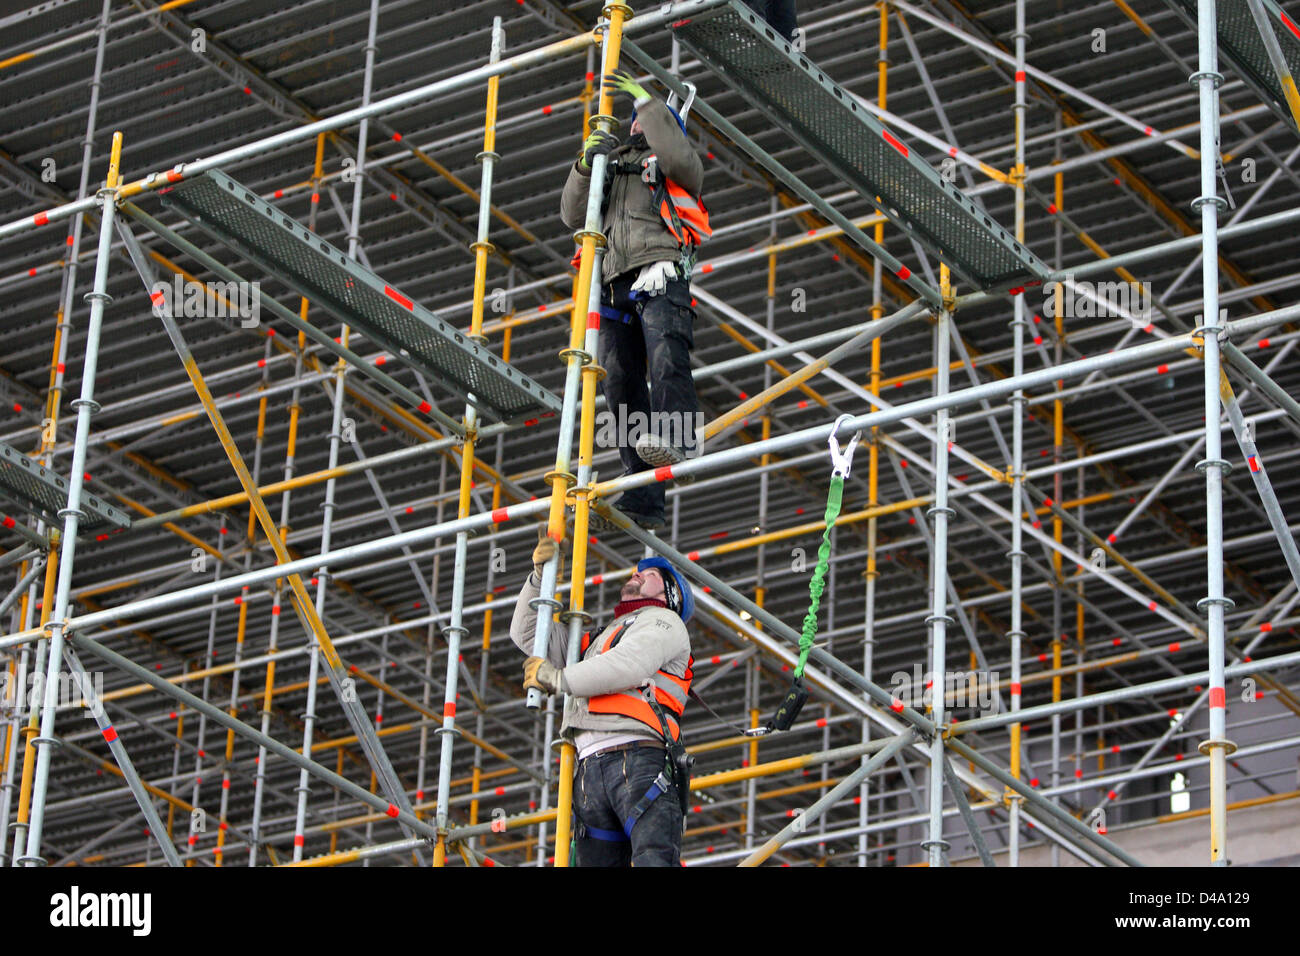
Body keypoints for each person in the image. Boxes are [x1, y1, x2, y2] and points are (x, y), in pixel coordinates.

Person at [560, 70, 709, 532]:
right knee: (619, 383)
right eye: (638, 117)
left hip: (658, 268)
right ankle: (642, 489)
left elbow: (681, 157)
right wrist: (587, 164)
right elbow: (571, 212)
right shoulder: (615, 162)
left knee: (667, 356)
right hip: (610, 282)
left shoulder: (672, 160)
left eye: (649, 118)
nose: (639, 123)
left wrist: (649, 102)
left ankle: (677, 437)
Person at [512, 525, 695, 866]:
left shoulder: (665, 623)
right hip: (590, 769)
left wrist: (559, 678)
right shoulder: (600, 639)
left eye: (651, 574)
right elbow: (528, 635)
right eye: (638, 572)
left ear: (672, 596)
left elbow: (628, 665)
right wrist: (539, 581)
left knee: (653, 860)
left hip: (639, 757)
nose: (637, 576)